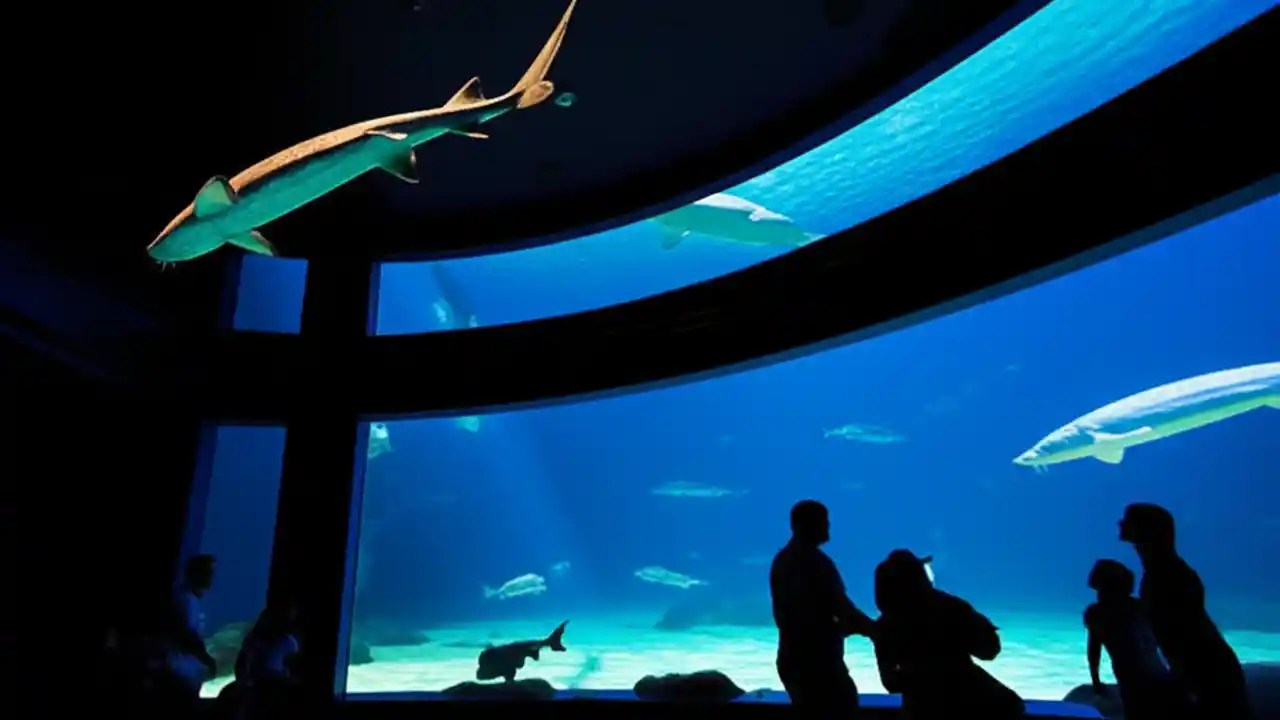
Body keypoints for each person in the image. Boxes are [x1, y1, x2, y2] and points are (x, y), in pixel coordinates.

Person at [1120, 503, 1252, 720]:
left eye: (1129, 520)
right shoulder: (1163, 570)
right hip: (1202, 667)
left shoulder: (1167, 573)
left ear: (1146, 529)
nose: (1121, 524)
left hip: (1205, 670)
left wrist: (1184, 678)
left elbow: (1180, 632)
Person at [872, 549, 1023, 720]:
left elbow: (891, 684)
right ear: (920, 578)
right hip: (968, 697)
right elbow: (990, 649)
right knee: (1011, 705)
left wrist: (919, 678)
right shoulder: (950, 608)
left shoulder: (884, 626)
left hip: (919, 708)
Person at [770, 500, 875, 718]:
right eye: (822, 523)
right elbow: (842, 608)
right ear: (802, 524)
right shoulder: (817, 563)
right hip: (819, 664)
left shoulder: (782, 560)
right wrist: (877, 631)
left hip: (792, 659)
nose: (827, 527)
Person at [1085, 559, 1187, 720]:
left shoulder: (1097, 614)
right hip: (1162, 676)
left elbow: (1093, 652)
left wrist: (1096, 682)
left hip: (1134, 683)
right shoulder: (1141, 607)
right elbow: (1164, 642)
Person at [158, 554, 218, 714]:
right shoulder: (186, 600)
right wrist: (207, 659)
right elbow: (187, 635)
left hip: (186, 672)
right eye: (207, 572)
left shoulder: (189, 599)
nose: (211, 577)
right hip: (180, 672)